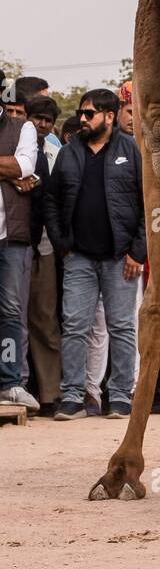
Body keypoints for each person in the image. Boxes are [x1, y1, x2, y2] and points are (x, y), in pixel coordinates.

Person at [46, 88, 146, 420]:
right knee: (74, 325)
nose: (82, 119)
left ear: (109, 116)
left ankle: (119, 396)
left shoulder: (131, 150)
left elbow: (150, 203)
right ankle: (73, 397)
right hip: (79, 257)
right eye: (80, 113)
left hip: (121, 258)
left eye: (89, 113)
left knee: (121, 327)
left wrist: (138, 251)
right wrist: (62, 244)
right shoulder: (69, 152)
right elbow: (52, 200)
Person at [0, 74, 39, 411]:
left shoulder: (22, 128)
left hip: (10, 237)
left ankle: (11, 382)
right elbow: (15, 169)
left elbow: (26, 165)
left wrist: (17, 170)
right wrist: (9, 170)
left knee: (11, 311)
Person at [25, 95, 62, 413]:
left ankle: (50, 392)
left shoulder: (55, 153)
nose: (42, 124)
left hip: (45, 245)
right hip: (13, 240)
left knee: (45, 319)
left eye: (48, 120)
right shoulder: (12, 146)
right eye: (37, 118)